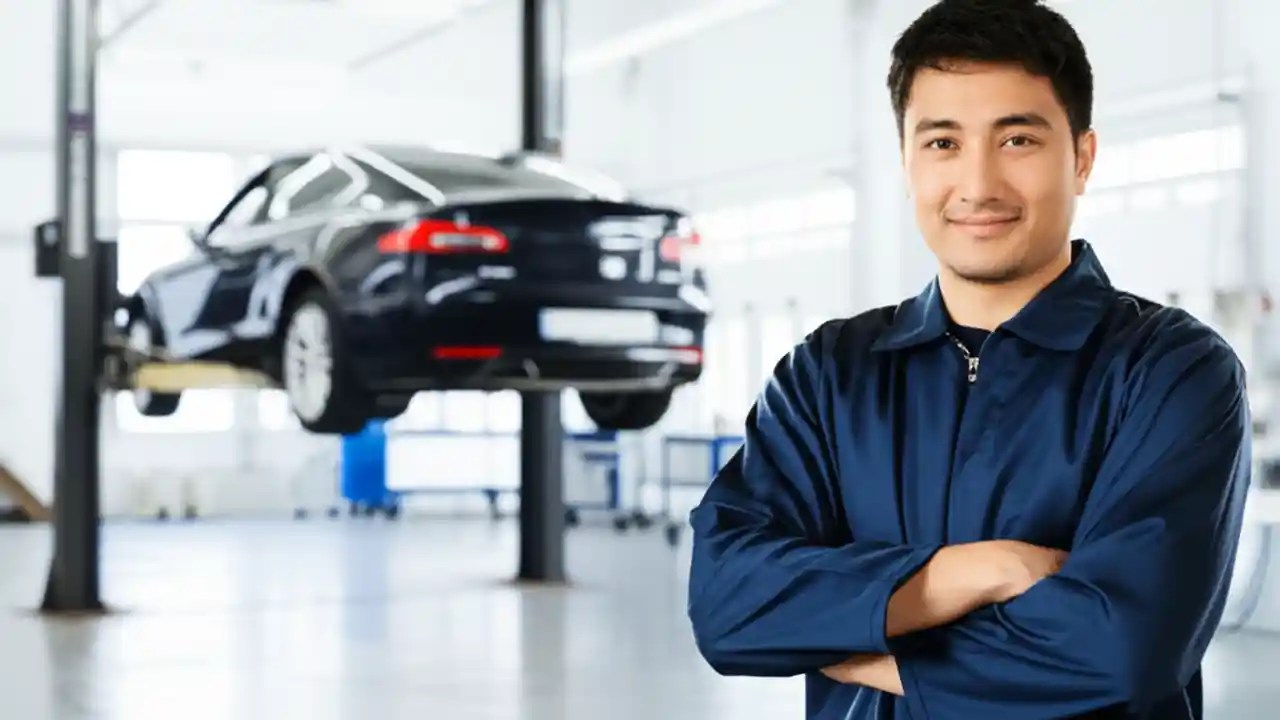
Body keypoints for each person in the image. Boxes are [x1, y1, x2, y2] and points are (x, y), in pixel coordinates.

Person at [685, 1, 1253, 718]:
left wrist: (856, 639)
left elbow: (1124, 649)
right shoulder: (830, 374)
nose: (978, 185)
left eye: (1017, 140)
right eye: (943, 143)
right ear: (907, 162)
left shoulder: (1170, 369)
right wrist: (973, 573)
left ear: (1081, 158)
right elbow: (727, 604)